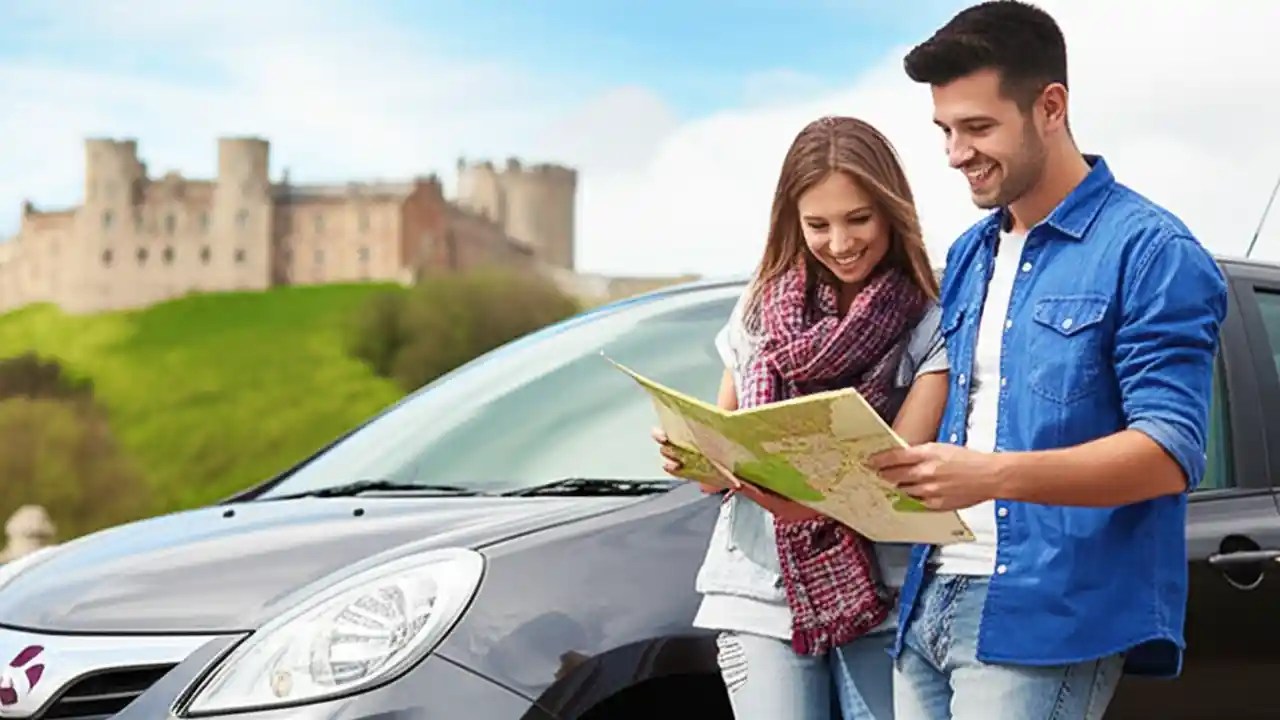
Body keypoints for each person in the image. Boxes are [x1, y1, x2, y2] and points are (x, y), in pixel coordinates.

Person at [862, 2, 1230, 719]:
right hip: (929, 602)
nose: (955, 152)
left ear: (1050, 107)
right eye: (945, 130)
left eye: (977, 127)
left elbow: (1168, 452)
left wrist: (990, 476)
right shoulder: (970, 253)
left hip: (1046, 618)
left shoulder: (1151, 251)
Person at [654, 115, 949, 720]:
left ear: (892, 211)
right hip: (756, 590)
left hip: (882, 594)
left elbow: (897, 467)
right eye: (818, 224)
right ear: (793, 222)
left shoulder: (931, 318)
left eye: (858, 219)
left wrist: (813, 499)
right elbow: (721, 463)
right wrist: (692, 451)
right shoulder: (760, 307)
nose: (840, 242)